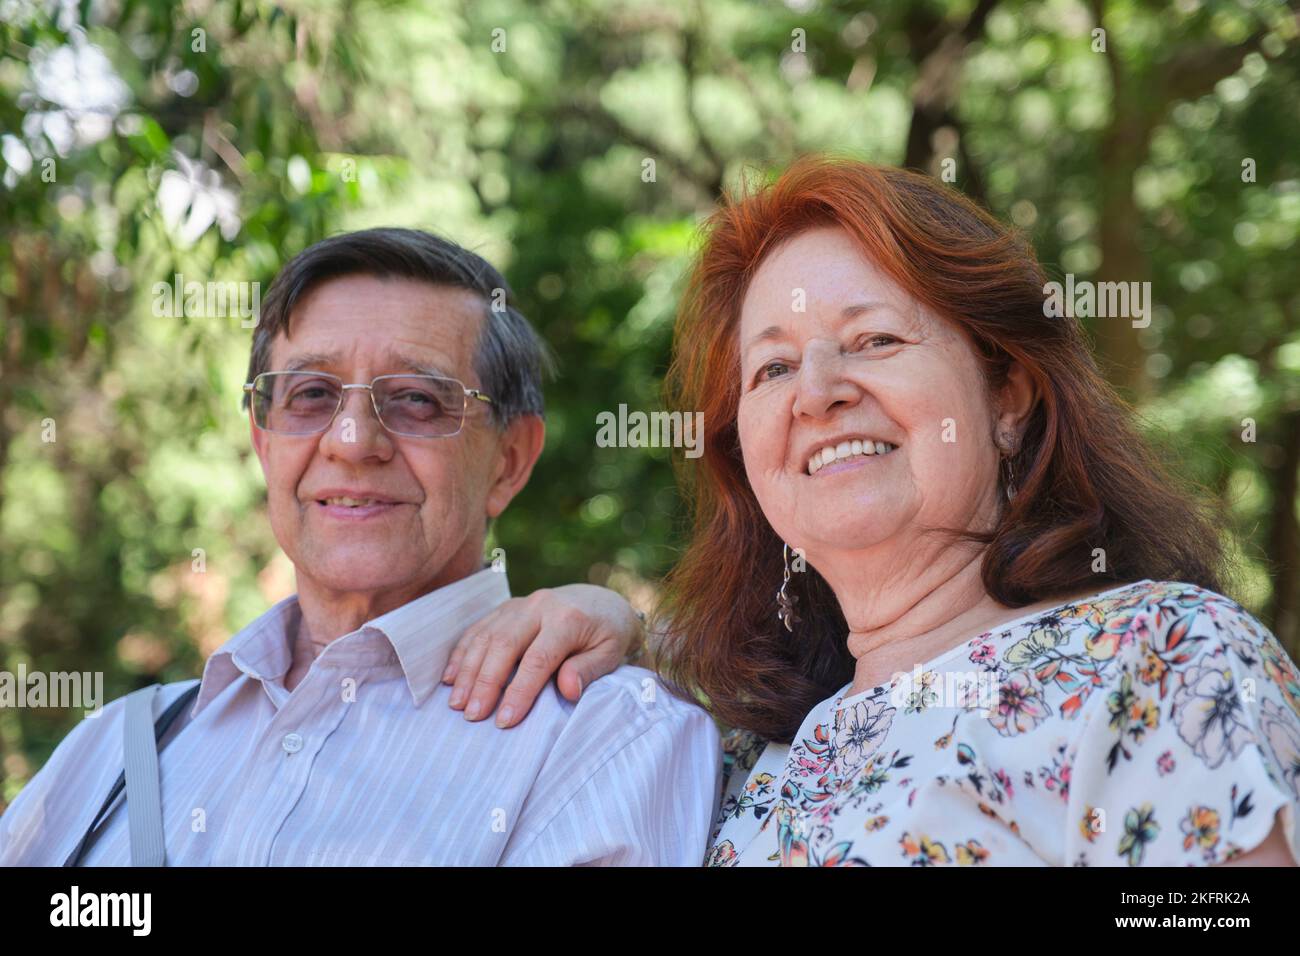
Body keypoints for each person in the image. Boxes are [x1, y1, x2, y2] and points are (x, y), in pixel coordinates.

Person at [444, 157, 1300, 867]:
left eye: (875, 341)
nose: (817, 393)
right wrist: (616, 624)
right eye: (772, 369)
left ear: (1008, 392)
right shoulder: (732, 756)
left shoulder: (1163, 661)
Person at [0, 227, 721, 866]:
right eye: (310, 395)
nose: (352, 443)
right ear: (263, 440)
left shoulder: (607, 737)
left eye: (415, 399)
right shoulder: (119, 750)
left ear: (509, 460)